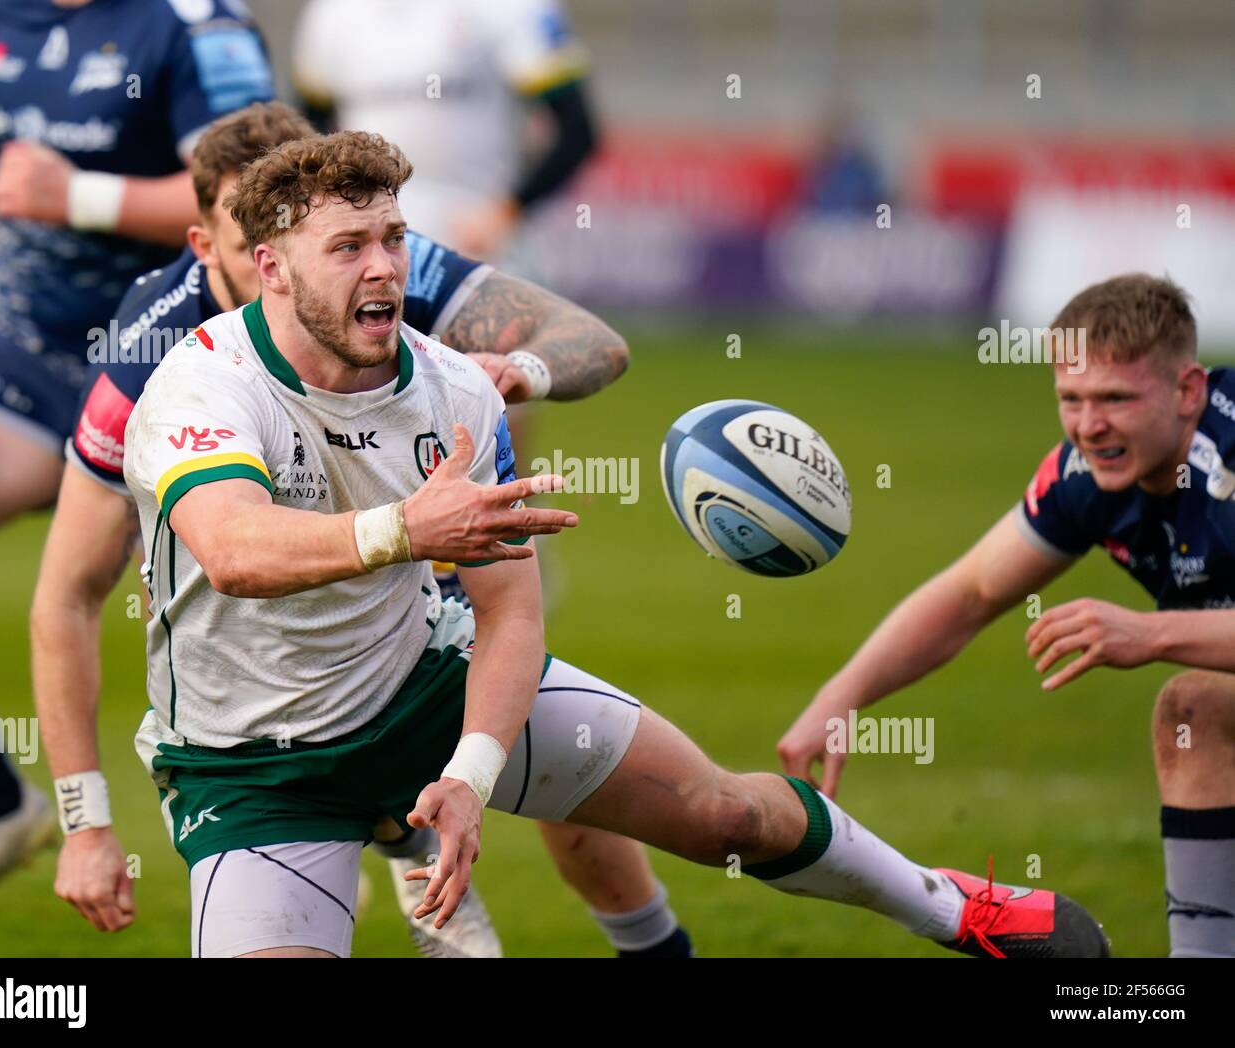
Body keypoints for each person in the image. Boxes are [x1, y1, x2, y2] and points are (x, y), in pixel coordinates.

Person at [117, 129, 1108, 958]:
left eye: (393, 238)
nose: (383, 266)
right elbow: (235, 547)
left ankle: (951, 908)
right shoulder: (199, 387)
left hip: (416, 682)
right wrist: (406, 530)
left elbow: (508, 615)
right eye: (348, 247)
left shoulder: (455, 388)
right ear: (271, 269)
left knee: (725, 814)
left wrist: (466, 775)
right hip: (252, 760)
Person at [35, 102, 693, 959]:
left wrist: (513, 372)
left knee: (568, 766)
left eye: (366, 239)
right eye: (256, 245)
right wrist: (86, 821)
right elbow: (70, 594)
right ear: (219, 250)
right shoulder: (154, 360)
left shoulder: (387, 266)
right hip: (273, 651)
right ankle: (413, 857)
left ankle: (645, 941)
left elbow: (593, 343)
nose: (365, 263)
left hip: (427, 572)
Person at [0, 0, 272, 942]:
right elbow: (5, 167)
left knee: (259, 602)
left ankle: (371, 831)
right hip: (23, 350)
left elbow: (262, 196)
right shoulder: (15, 16)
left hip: (167, 349)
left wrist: (80, 196)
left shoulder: (196, 27)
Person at [779, 273, 1235, 958]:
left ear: (1188, 390)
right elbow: (971, 594)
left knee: (1192, 703)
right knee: (1196, 711)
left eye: (1115, 398)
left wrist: (1152, 632)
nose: (1089, 425)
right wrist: (840, 697)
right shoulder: (1089, 474)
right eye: (1071, 399)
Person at [292, 0, 596, 260]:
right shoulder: (333, 12)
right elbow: (307, 133)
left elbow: (577, 131)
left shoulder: (514, 8)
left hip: (477, 247)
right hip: (366, 243)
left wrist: (507, 213)